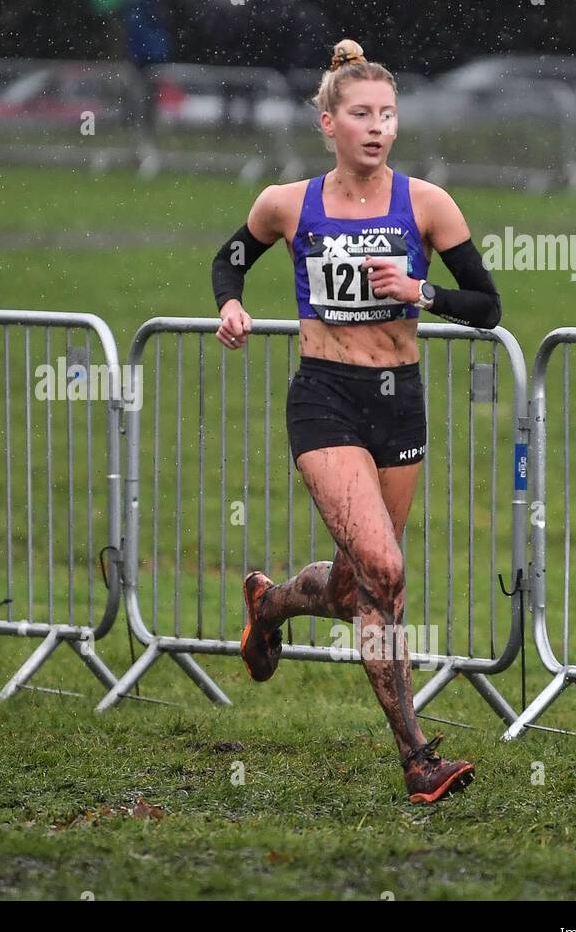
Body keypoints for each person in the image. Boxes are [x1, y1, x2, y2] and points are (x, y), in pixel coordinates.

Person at [212, 39, 501, 804]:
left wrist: (422, 291)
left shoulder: (428, 203)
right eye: (361, 114)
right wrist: (231, 304)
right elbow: (231, 257)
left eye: (388, 114)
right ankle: (417, 758)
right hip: (325, 398)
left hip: (399, 400)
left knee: (356, 586)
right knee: (388, 573)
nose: (377, 127)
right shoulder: (289, 202)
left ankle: (269, 605)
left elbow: (488, 305)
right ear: (328, 123)